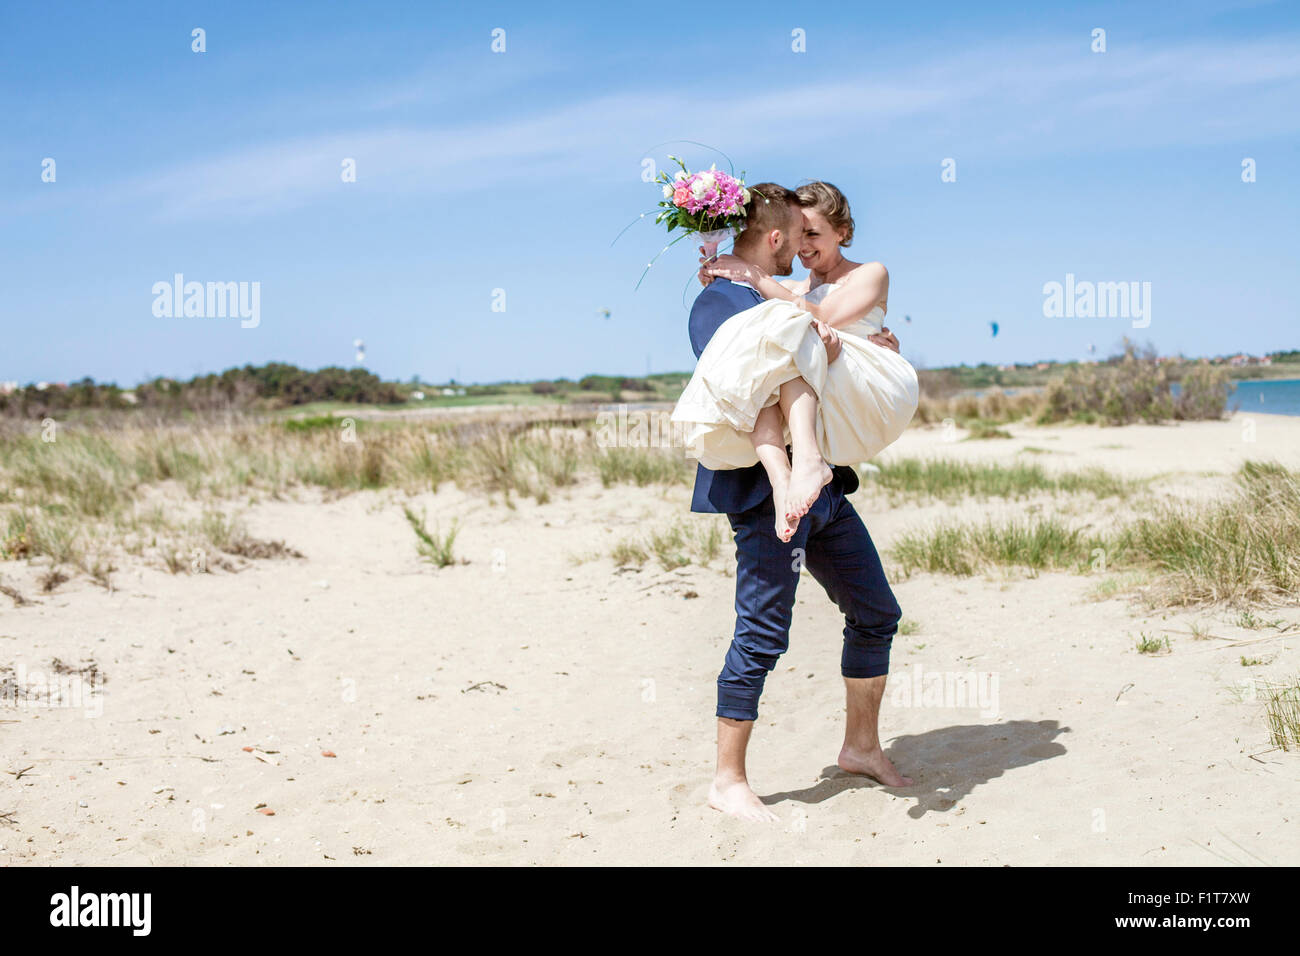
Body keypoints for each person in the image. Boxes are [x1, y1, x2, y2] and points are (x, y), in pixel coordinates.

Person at [678, 182, 912, 823]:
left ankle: (861, 747)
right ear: (776, 236)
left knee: (876, 612)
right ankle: (727, 780)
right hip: (763, 497)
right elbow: (739, 388)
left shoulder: (790, 295)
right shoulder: (720, 297)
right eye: (795, 236)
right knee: (762, 634)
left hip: (827, 488)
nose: (802, 251)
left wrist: (864, 350)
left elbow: (830, 344)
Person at [673, 181, 918, 542]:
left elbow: (824, 315)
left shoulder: (870, 272)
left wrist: (752, 274)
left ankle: (805, 466)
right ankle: (801, 468)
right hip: (821, 417)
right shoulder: (794, 290)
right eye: (798, 234)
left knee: (788, 333)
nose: (802, 245)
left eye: (813, 234)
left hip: (863, 384)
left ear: (843, 232)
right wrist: (722, 275)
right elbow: (749, 323)